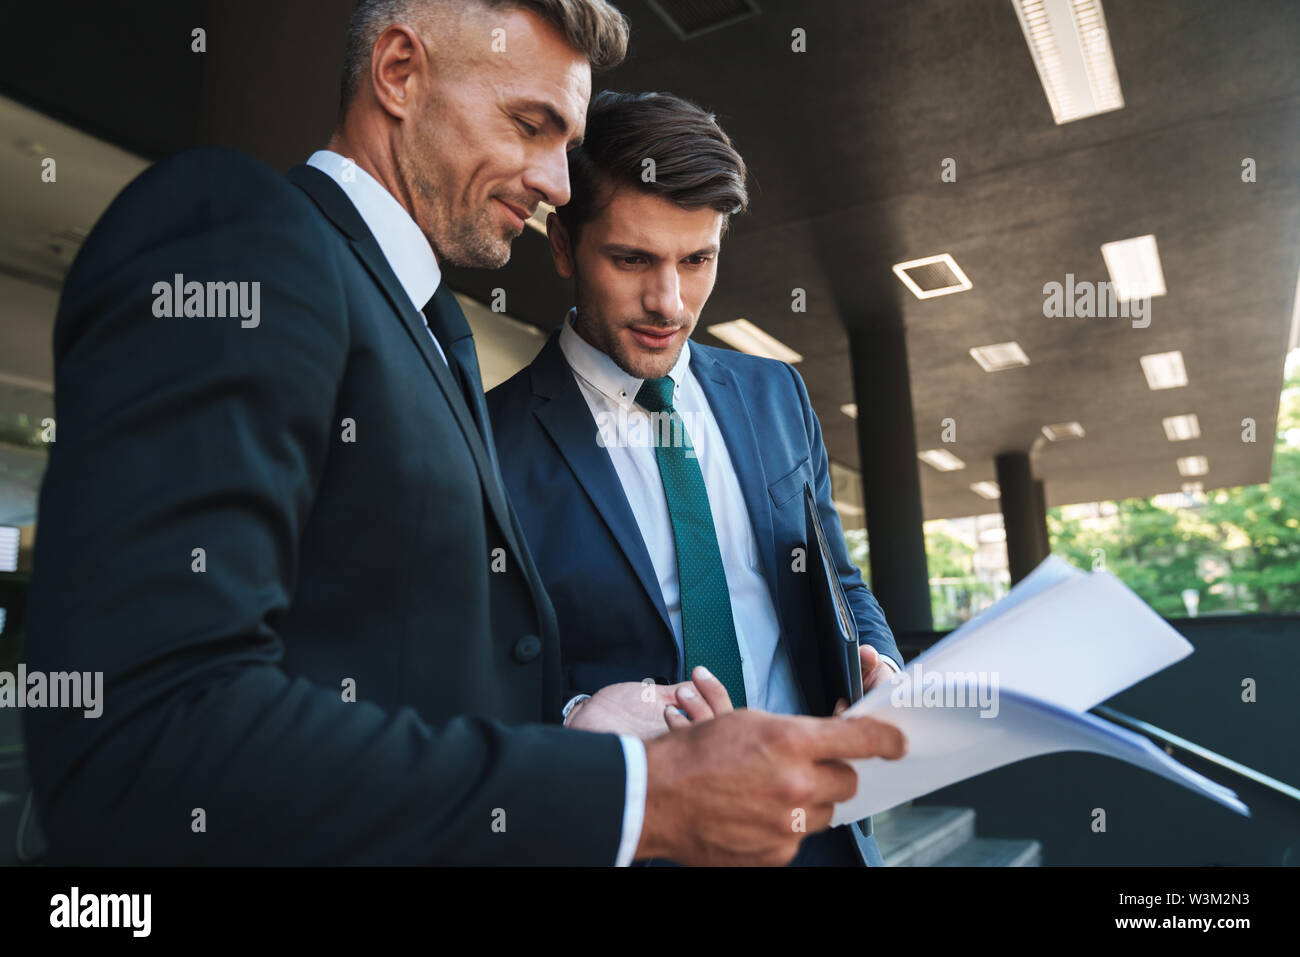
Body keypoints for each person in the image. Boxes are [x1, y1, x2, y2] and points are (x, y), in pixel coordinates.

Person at [22, 0, 904, 865]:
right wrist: (637, 790)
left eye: (567, 142)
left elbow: (411, 673)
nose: (558, 183)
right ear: (399, 72)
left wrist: (581, 731)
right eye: (531, 124)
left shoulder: (429, 334)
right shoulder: (235, 236)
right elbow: (143, 736)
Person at [487, 90, 905, 865]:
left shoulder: (778, 395)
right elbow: (466, 672)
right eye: (632, 259)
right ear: (562, 246)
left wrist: (880, 665)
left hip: (821, 833)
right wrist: (573, 715)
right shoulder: (485, 443)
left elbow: (841, 583)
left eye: (697, 259)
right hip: (638, 841)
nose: (667, 303)